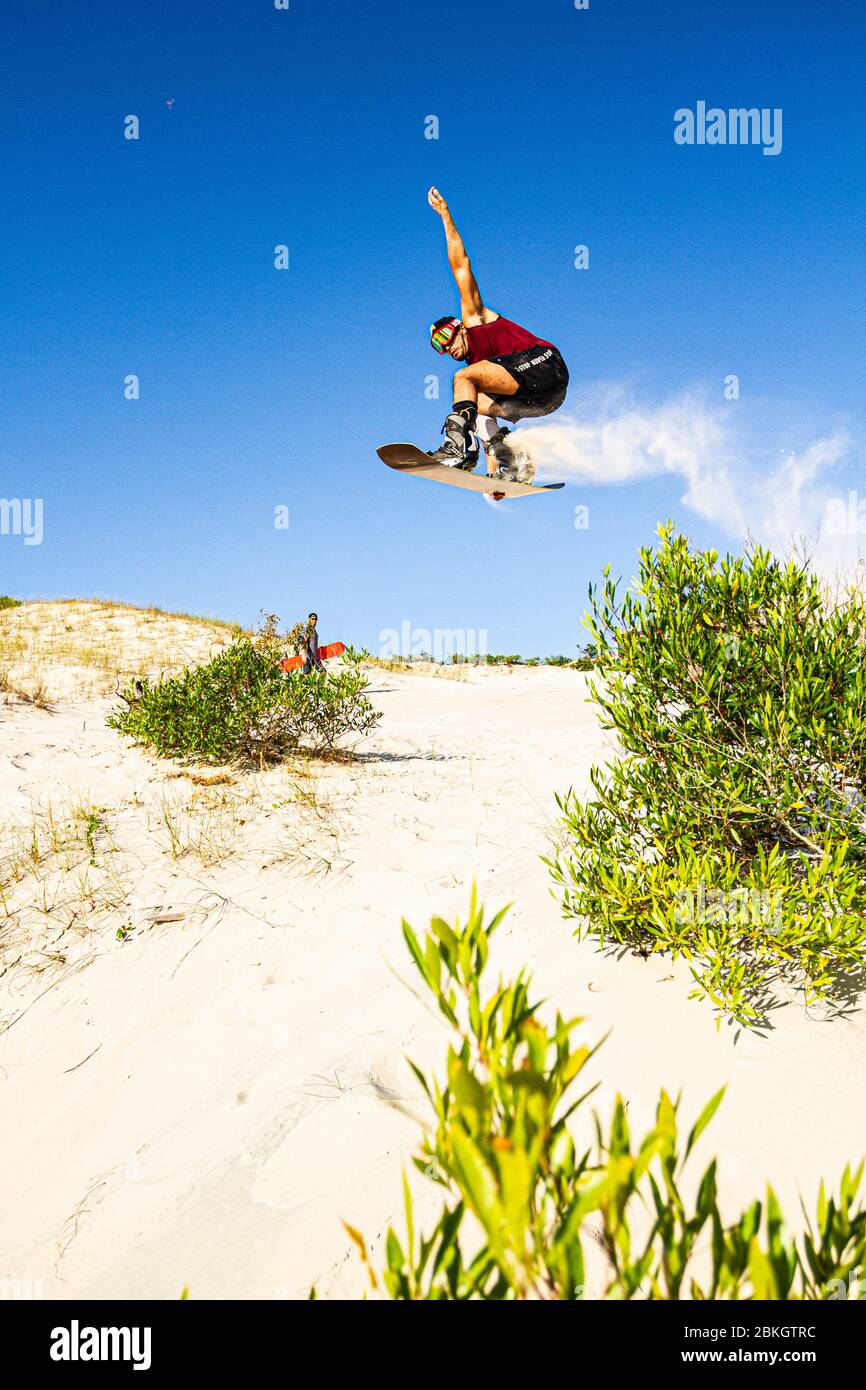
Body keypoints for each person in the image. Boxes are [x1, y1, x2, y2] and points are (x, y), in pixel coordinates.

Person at [426, 186, 569, 480]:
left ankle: (456, 447)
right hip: (545, 400)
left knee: (463, 379)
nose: (446, 349)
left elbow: (461, 266)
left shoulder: (474, 318)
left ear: (459, 327)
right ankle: (510, 460)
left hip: (546, 365)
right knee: (471, 402)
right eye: (438, 347)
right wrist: (494, 482)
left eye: (445, 338)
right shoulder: (482, 376)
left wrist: (445, 216)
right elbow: (482, 420)